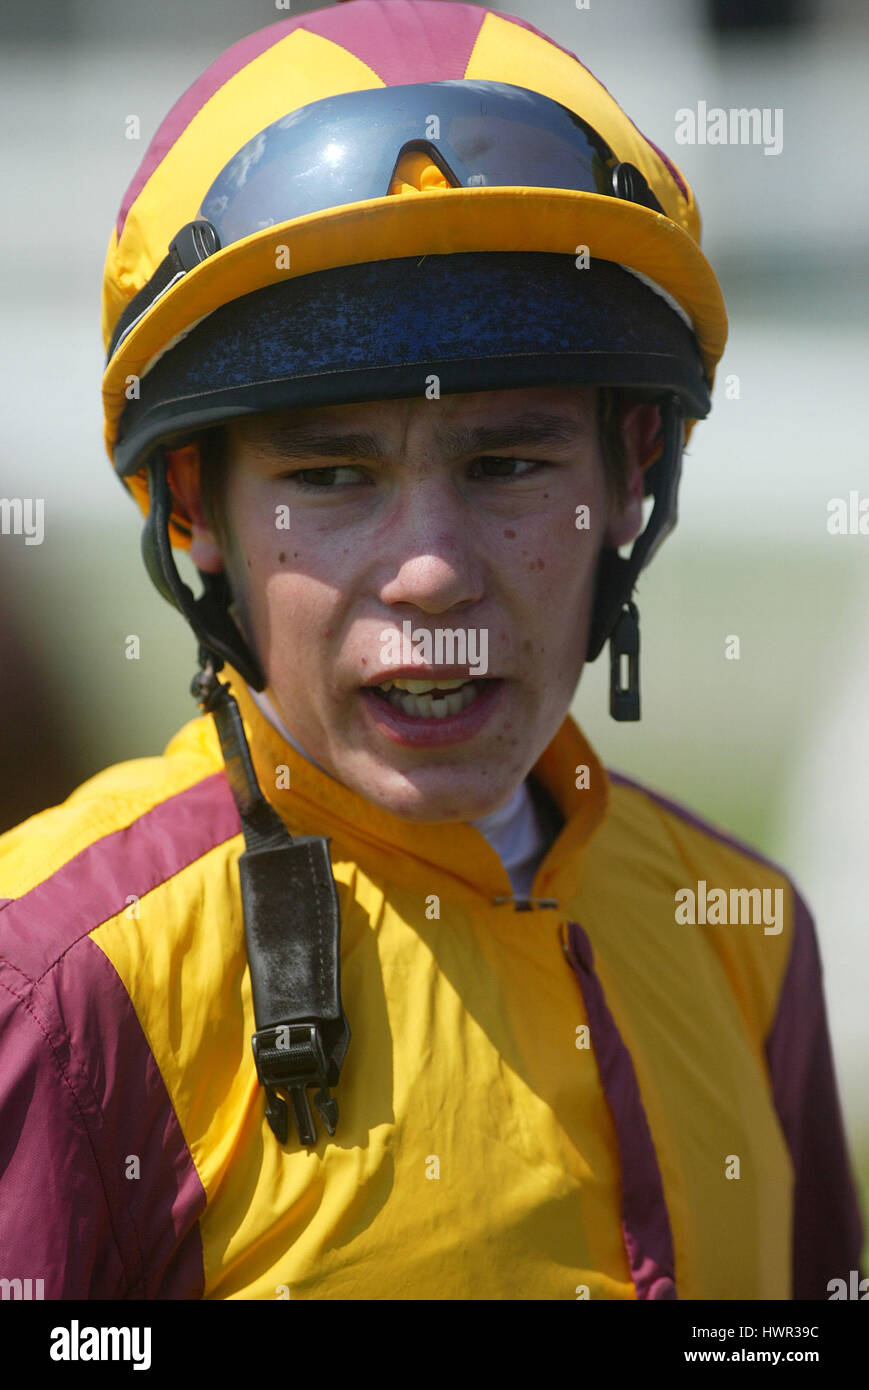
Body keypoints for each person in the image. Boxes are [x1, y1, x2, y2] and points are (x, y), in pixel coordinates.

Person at [0, 0, 862, 1301]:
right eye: (333, 473)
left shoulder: (747, 939)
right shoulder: (56, 990)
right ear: (195, 504)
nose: (430, 565)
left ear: (633, 473)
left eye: (507, 462)